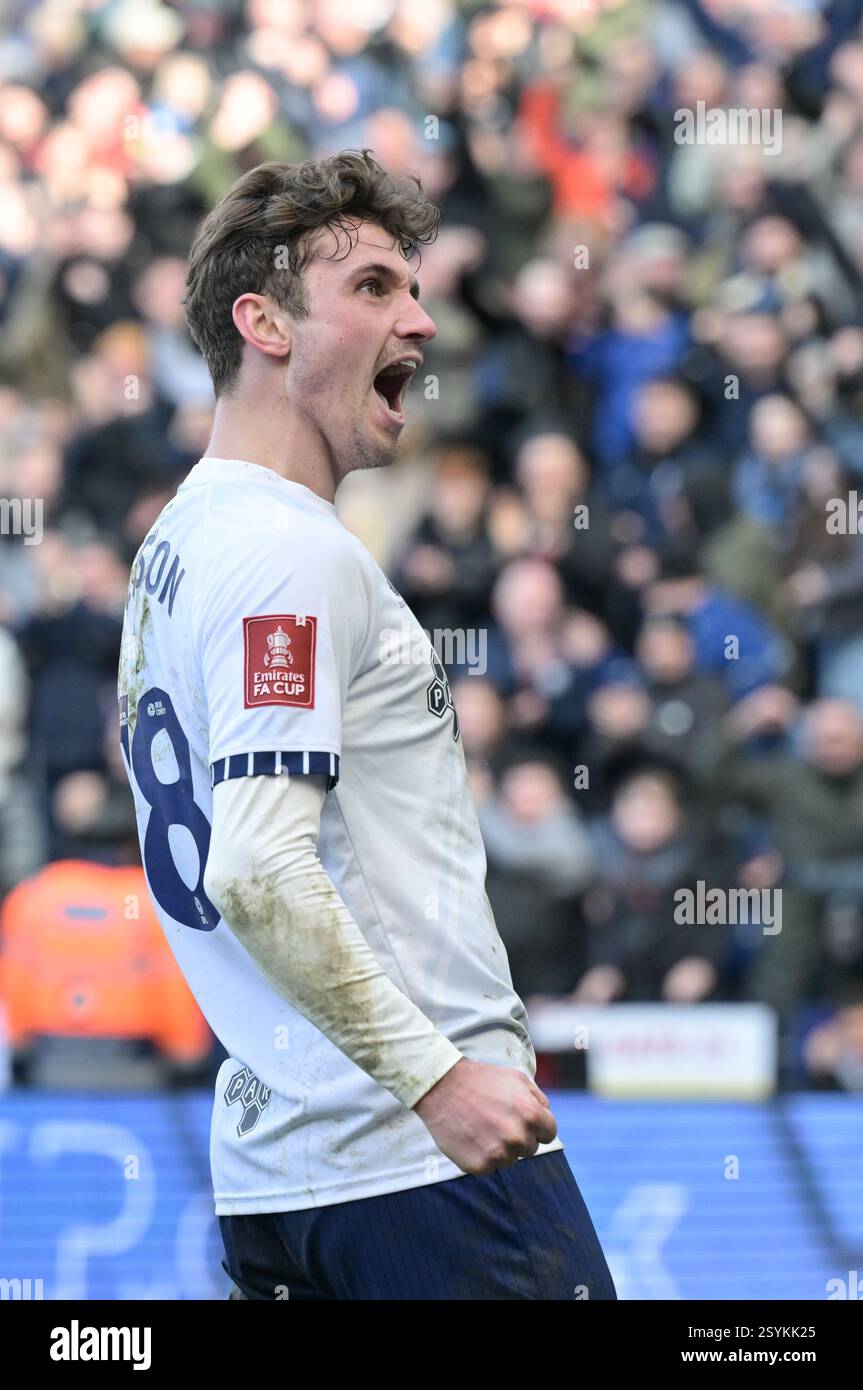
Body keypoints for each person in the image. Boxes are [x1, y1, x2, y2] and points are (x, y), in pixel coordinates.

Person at [117, 151, 615, 1301]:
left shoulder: (177, 549)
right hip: (414, 1166)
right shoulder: (284, 553)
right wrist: (438, 1079)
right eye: (378, 288)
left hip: (280, 1177)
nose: (423, 321)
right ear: (265, 324)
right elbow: (256, 865)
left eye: (417, 289)